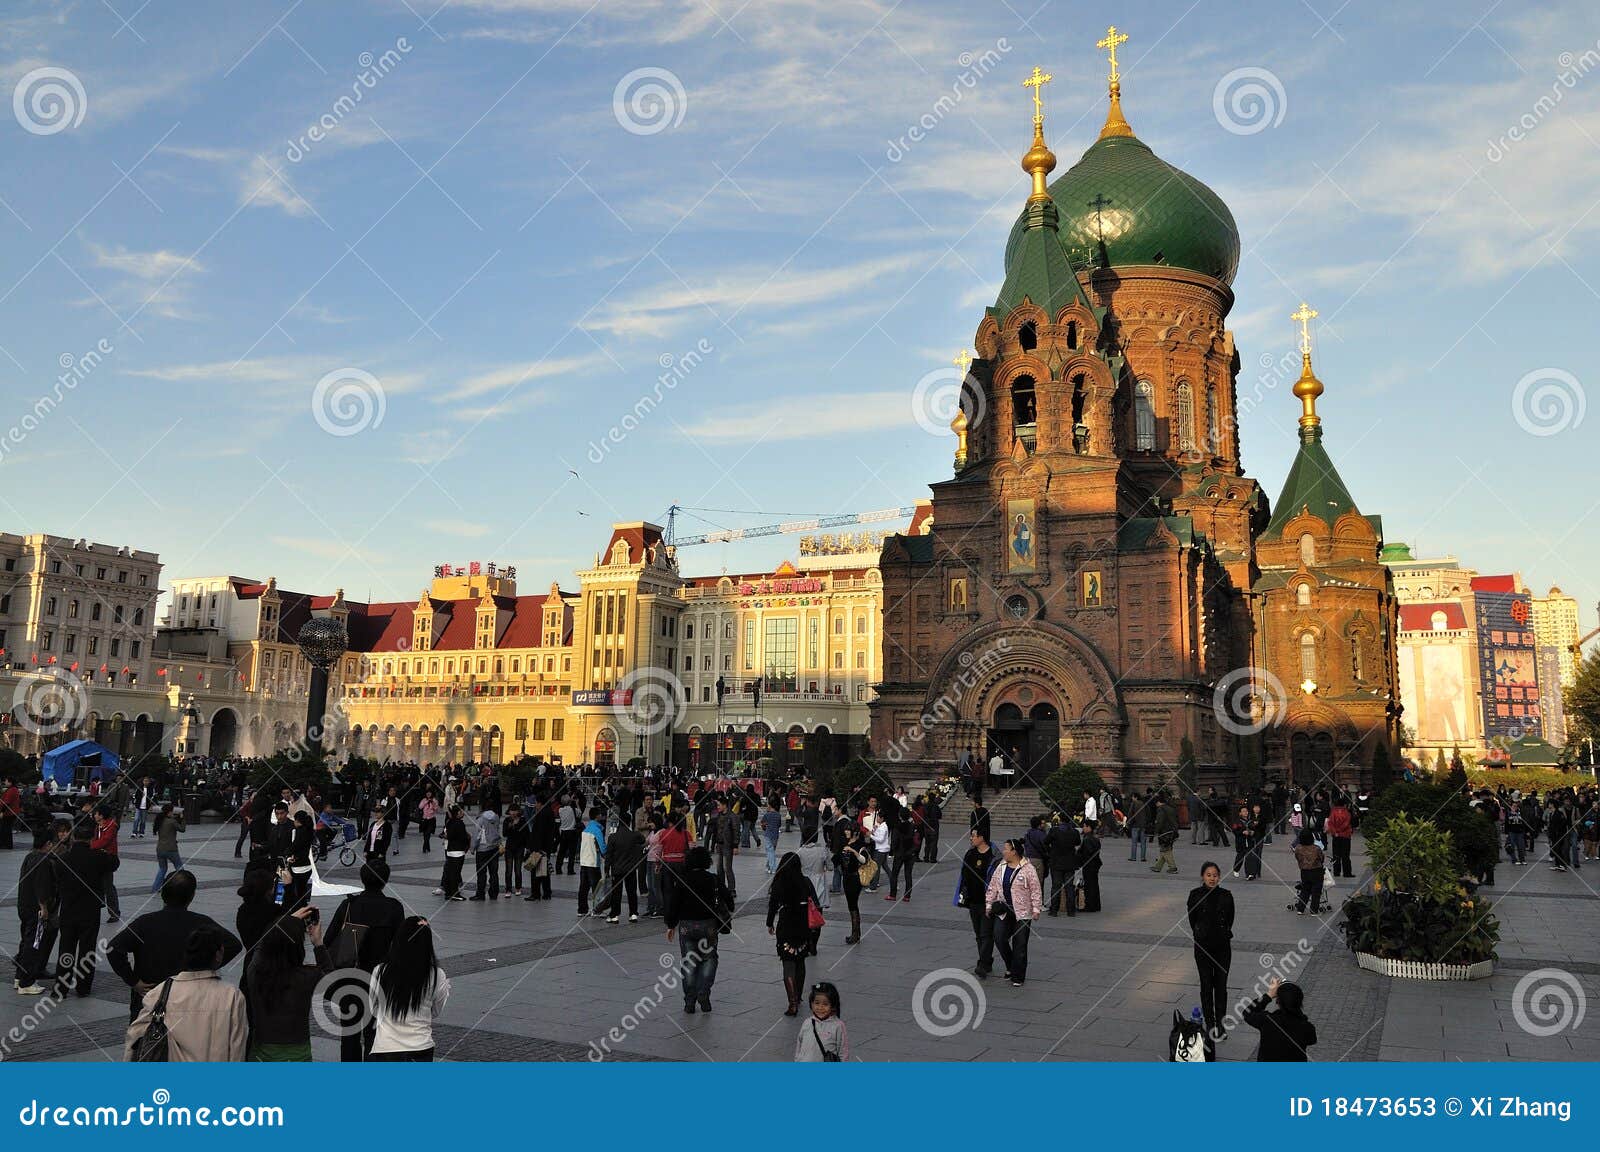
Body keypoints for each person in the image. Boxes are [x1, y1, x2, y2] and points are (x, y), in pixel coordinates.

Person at [108, 869, 242, 1021]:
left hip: (151, 997)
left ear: (163, 893)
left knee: (145, 1039)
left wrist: (133, 981)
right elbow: (234, 945)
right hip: (189, 999)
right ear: (191, 896)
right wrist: (208, 967)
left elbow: (113, 949)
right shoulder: (201, 923)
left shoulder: (145, 923)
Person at [123, 927, 248, 1062]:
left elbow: (134, 1038)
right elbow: (237, 1049)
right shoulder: (232, 996)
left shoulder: (160, 993)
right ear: (218, 955)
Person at [325, 862, 406, 1062]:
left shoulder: (349, 905)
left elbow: (329, 940)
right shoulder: (394, 908)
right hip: (381, 980)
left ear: (362, 879)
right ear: (385, 881)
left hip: (351, 977)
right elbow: (400, 946)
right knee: (374, 1034)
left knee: (350, 1035)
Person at [245, 906, 332, 1061]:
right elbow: (331, 981)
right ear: (298, 947)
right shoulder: (306, 976)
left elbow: (260, 947)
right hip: (297, 1055)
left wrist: (283, 924)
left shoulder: (255, 973)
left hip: (261, 1054)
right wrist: (318, 944)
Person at [367, 917, 450, 1061]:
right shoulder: (437, 975)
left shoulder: (380, 971)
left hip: (386, 1048)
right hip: (421, 1047)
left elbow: (374, 1009)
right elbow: (435, 1011)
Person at [53, 821, 120, 997]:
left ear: (73, 838)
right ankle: (83, 987)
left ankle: (61, 988)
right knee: (86, 950)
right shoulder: (98, 857)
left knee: (66, 948)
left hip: (68, 909)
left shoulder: (63, 859)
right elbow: (114, 862)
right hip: (90, 910)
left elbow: (57, 877)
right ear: (91, 838)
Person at [665, 845, 731, 1014]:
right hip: (708, 925)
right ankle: (703, 992)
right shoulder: (714, 879)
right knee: (709, 958)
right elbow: (729, 901)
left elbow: (673, 904)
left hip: (686, 926)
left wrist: (671, 925)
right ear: (706, 861)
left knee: (688, 962)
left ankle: (689, 1001)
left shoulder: (682, 879)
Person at [1186, 862, 1235, 1056]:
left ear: (1219, 877)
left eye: (1215, 875)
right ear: (1202, 876)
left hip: (1222, 947)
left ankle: (1221, 1026)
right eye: (1208, 875)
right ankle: (1209, 1024)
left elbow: (1230, 919)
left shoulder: (1227, 896)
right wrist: (1200, 933)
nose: (1212, 878)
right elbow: (1192, 919)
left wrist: (1221, 932)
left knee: (1221, 986)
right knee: (1206, 986)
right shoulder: (1194, 895)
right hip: (1203, 947)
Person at [768, 851, 821, 1015]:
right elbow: (816, 903)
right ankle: (797, 997)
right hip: (803, 926)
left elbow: (772, 906)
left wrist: (770, 923)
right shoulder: (805, 882)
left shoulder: (779, 883)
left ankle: (792, 1003)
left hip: (786, 926)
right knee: (800, 962)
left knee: (788, 963)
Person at [984, 839, 1043, 987]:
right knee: (999, 938)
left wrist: (1036, 909)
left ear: (1014, 852)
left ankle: (1018, 976)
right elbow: (992, 886)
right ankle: (1010, 964)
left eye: (1006, 849)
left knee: (1020, 944)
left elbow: (1036, 889)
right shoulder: (1001, 866)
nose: (1003, 851)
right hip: (1004, 910)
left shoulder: (1028, 869)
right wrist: (989, 904)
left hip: (1022, 912)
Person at [14, 826, 59, 995]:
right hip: (35, 909)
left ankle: (19, 977)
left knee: (25, 941)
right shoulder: (43, 860)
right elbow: (42, 888)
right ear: (47, 844)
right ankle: (26, 982)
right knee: (34, 944)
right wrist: (44, 908)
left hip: (24, 905)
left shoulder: (30, 856)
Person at [1242, 977, 1317, 1061]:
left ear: (1278, 1002)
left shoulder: (1267, 1020)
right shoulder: (1307, 1028)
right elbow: (1312, 1040)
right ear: (1300, 1002)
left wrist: (1269, 995)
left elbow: (1247, 1013)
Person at [959, 829, 997, 977]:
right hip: (973, 901)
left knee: (986, 933)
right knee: (978, 934)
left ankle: (982, 963)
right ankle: (987, 960)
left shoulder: (993, 856)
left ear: (981, 838)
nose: (971, 838)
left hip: (988, 901)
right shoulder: (970, 854)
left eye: (973, 836)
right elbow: (964, 875)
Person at [795, 981, 848, 1062]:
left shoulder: (838, 1026)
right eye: (817, 1003)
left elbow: (843, 1053)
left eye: (825, 1004)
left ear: (833, 1006)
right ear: (811, 1004)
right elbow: (799, 1045)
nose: (820, 1007)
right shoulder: (807, 1022)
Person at [605, 816, 645, 923]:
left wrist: (606, 869)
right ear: (629, 823)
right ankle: (633, 913)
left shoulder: (613, 837)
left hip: (617, 869)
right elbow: (643, 840)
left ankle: (615, 915)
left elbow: (608, 855)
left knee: (616, 893)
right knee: (631, 892)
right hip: (630, 869)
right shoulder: (634, 835)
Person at [836, 823, 870, 944]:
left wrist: (852, 851)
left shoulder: (860, 845)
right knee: (851, 905)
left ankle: (855, 934)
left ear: (854, 832)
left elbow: (864, 860)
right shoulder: (845, 843)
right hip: (846, 877)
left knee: (853, 904)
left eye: (848, 830)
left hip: (855, 878)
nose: (846, 832)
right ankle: (856, 933)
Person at [1044, 815, 1080, 916]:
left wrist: (1050, 852)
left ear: (1060, 820)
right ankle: (1071, 911)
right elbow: (1078, 842)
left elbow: (1045, 842)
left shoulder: (1054, 831)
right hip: (1070, 863)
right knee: (1069, 887)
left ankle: (1054, 910)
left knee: (1056, 886)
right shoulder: (1074, 832)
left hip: (1056, 863)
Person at [91, 807, 122, 922]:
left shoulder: (111, 826)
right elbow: (95, 840)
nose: (95, 815)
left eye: (96, 813)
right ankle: (100, 902)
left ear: (102, 815)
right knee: (101, 883)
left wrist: (91, 846)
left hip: (108, 860)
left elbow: (104, 841)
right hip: (99, 859)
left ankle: (114, 912)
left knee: (108, 886)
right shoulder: (98, 827)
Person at [578, 807, 607, 915]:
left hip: (584, 861)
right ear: (597, 816)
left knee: (583, 887)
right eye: (600, 814)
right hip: (593, 862)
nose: (602, 816)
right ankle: (597, 910)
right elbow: (603, 847)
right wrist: (606, 855)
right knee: (596, 888)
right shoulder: (597, 830)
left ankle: (582, 910)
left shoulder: (586, 829)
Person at [439, 805, 470, 900]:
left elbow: (448, 835)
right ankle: (454, 893)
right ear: (457, 813)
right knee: (455, 873)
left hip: (450, 850)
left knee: (450, 871)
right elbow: (462, 837)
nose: (463, 813)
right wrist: (467, 840)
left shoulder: (449, 822)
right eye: (461, 812)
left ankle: (448, 892)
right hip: (458, 851)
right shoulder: (459, 823)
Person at [886, 812, 918, 902]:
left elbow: (894, 840)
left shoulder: (897, 827)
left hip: (900, 853)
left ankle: (893, 894)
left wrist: (892, 851)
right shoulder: (913, 826)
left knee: (894, 874)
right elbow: (916, 840)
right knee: (908, 874)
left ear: (900, 816)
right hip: (910, 853)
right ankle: (907, 896)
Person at [1293, 830, 1325, 915]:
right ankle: (1313, 910)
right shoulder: (1316, 848)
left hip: (1304, 871)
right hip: (1316, 871)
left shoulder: (1298, 848)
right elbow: (1321, 858)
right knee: (1316, 891)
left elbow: (1297, 857)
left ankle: (1300, 909)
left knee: (1305, 890)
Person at [501, 803, 528, 898]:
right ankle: (508, 889)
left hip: (520, 848)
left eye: (514, 811)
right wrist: (511, 826)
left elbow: (526, 834)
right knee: (508, 870)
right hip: (509, 848)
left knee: (517, 869)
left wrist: (527, 847)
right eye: (511, 811)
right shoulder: (507, 821)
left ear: (518, 811)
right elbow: (504, 834)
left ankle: (518, 888)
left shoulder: (523, 821)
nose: (512, 813)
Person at [1078, 819, 1103, 912]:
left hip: (1089, 865)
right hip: (1095, 864)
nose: (1083, 828)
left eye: (1084, 826)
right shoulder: (1094, 838)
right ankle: (1096, 905)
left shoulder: (1088, 839)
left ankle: (1090, 905)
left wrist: (1079, 857)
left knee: (1089, 885)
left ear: (1089, 827)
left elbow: (1087, 853)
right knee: (1094, 884)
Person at [1327, 798, 1354, 878]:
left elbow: (1330, 823)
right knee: (1345, 855)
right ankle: (1347, 872)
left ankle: (1336, 872)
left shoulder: (1333, 812)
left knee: (1336, 854)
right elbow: (1346, 823)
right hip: (1345, 835)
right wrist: (1339, 831)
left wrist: (1335, 832)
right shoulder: (1347, 813)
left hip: (1336, 836)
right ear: (1344, 804)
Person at [1152, 796, 1179, 874]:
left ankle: (1172, 867)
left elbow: (1160, 822)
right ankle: (1158, 866)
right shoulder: (1171, 808)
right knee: (1165, 848)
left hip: (1165, 832)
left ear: (1158, 802)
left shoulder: (1161, 809)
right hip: (1172, 831)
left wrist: (1156, 831)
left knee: (1166, 849)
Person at [760, 797, 783, 874]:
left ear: (770, 806)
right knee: (771, 851)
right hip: (775, 835)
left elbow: (762, 823)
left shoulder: (767, 815)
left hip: (768, 835)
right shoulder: (778, 815)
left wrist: (764, 826)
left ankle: (773, 868)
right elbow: (779, 825)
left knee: (770, 851)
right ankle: (768, 866)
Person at [0, 776, 19, 850]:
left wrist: (2, 812)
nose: (5, 782)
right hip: (9, 812)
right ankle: (5, 843)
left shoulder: (12, 790)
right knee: (5, 828)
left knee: (6, 829)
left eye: (6, 781)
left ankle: (7, 844)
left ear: (10, 782)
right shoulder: (11, 789)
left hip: (9, 813)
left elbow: (7, 802)